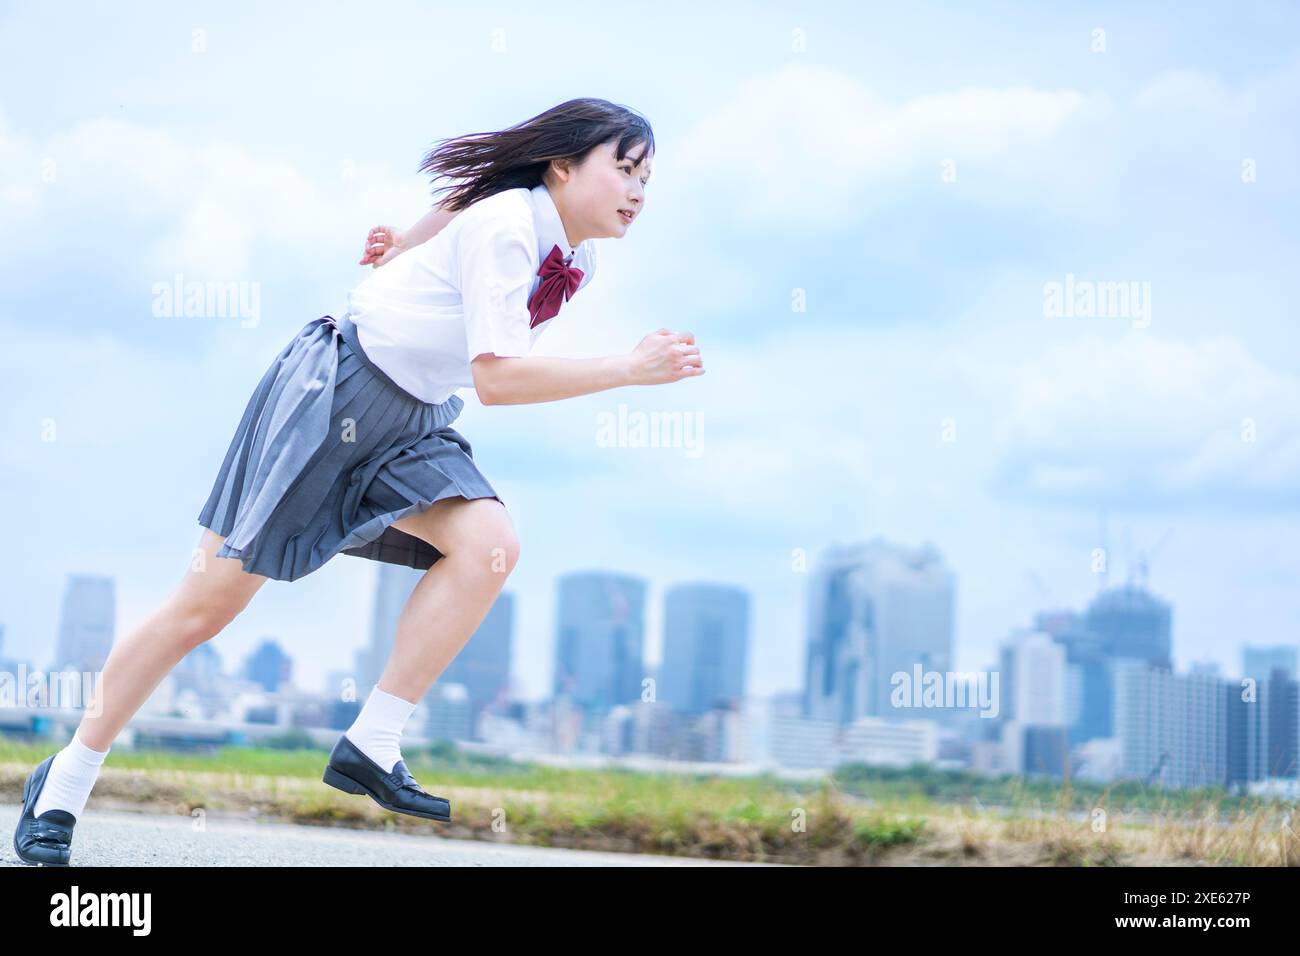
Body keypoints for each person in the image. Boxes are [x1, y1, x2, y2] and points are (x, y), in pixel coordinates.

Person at [13, 96, 705, 865]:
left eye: (648, 176)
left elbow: (462, 201)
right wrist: (628, 369)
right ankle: (64, 783)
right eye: (626, 168)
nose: (640, 190)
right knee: (200, 612)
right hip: (334, 392)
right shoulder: (510, 226)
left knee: (490, 544)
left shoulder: (573, 252)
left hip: (412, 421)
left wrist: (408, 237)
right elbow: (500, 380)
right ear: (563, 165)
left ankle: (372, 741)